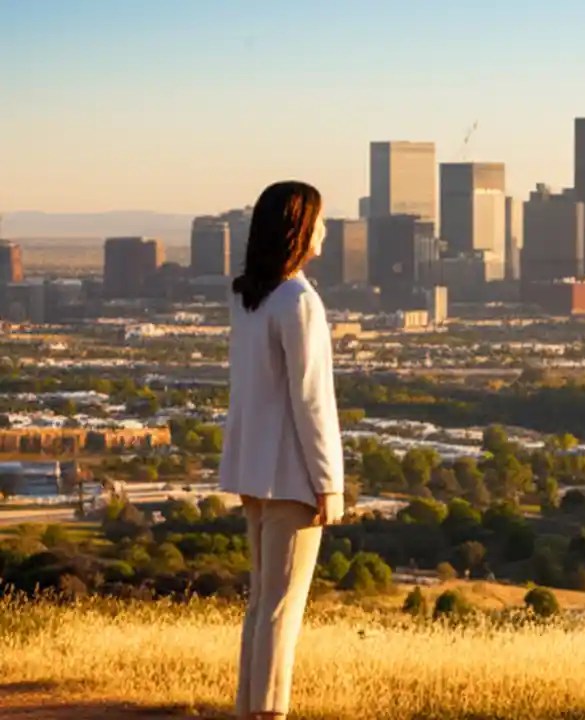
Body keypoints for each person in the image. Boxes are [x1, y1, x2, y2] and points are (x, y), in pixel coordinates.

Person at [219, 180, 344, 720]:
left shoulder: (251, 295)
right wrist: (329, 481)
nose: (325, 230)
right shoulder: (299, 299)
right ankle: (270, 712)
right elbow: (312, 400)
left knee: (261, 604)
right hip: (292, 477)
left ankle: (251, 709)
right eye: (318, 220)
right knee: (281, 608)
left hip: (255, 472)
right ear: (298, 227)